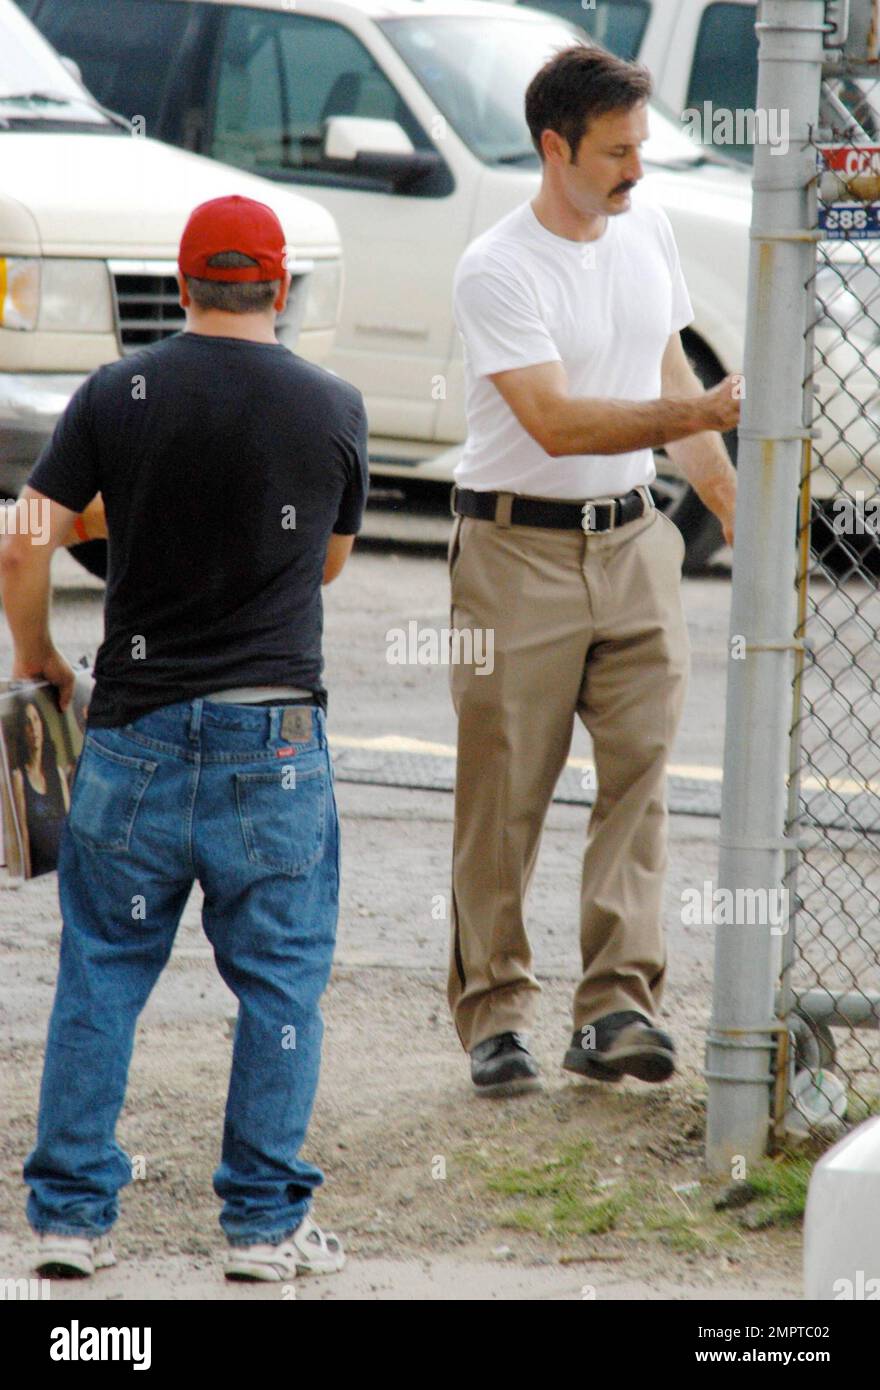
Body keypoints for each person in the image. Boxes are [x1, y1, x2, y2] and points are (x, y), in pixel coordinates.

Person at [0, 194, 369, 1283]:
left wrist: (43, 663)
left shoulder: (118, 393)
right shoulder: (332, 402)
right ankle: (262, 1228)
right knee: (280, 984)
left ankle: (68, 1218)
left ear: (182, 281)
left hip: (135, 730)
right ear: (281, 284)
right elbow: (330, 564)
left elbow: (24, 540)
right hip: (276, 739)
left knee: (102, 972)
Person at [447, 46, 741, 1094]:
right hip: (512, 550)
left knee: (639, 780)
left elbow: (664, 369)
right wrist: (698, 413)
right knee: (504, 794)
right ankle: (494, 1015)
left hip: (631, 543)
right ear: (553, 147)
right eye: (617, 153)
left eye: (641, 149)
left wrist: (729, 505)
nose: (636, 172)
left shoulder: (643, 228)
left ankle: (617, 1005)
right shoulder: (496, 266)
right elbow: (559, 420)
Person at [10, 698, 70, 878]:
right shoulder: (19, 778)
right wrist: (28, 875)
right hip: (41, 870)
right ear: (22, 732)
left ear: (42, 725)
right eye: (27, 723)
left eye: (36, 720)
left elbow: (70, 826)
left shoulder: (57, 773)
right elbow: (24, 835)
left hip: (64, 863)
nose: (33, 728)